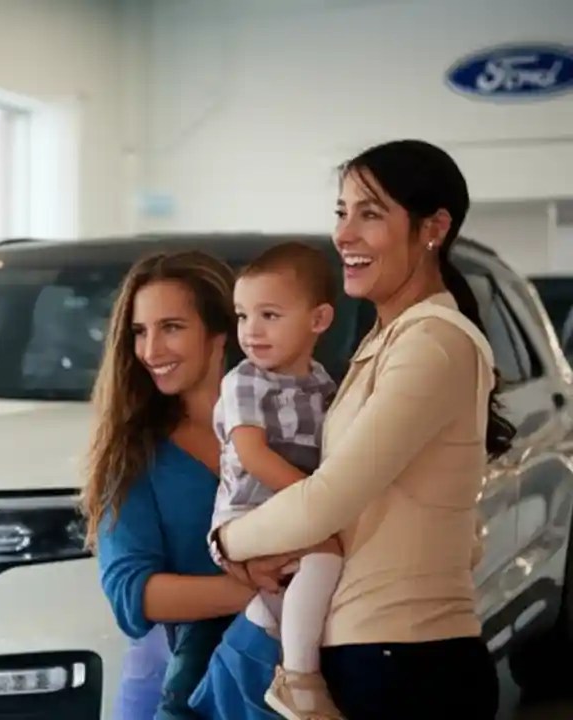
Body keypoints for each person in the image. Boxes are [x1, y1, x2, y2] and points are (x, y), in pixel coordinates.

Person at [194, 139, 514, 720]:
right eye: (341, 212)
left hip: (405, 662)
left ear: (433, 228)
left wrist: (226, 543)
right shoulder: (389, 338)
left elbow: (326, 501)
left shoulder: (432, 343)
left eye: (370, 214)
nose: (344, 234)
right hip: (379, 654)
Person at [83, 250, 258, 719]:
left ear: (220, 331)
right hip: (187, 686)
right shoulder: (135, 451)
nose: (151, 351)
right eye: (140, 332)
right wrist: (265, 593)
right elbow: (133, 594)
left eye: (171, 328)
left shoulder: (289, 423)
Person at [210, 242, 343, 720]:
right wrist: (316, 499)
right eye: (243, 316)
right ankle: (299, 677)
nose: (251, 330)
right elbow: (252, 453)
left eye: (269, 315)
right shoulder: (244, 381)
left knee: (311, 579)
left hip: (290, 508)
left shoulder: (324, 385)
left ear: (318, 319)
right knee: (325, 552)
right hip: (248, 511)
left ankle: (266, 624)